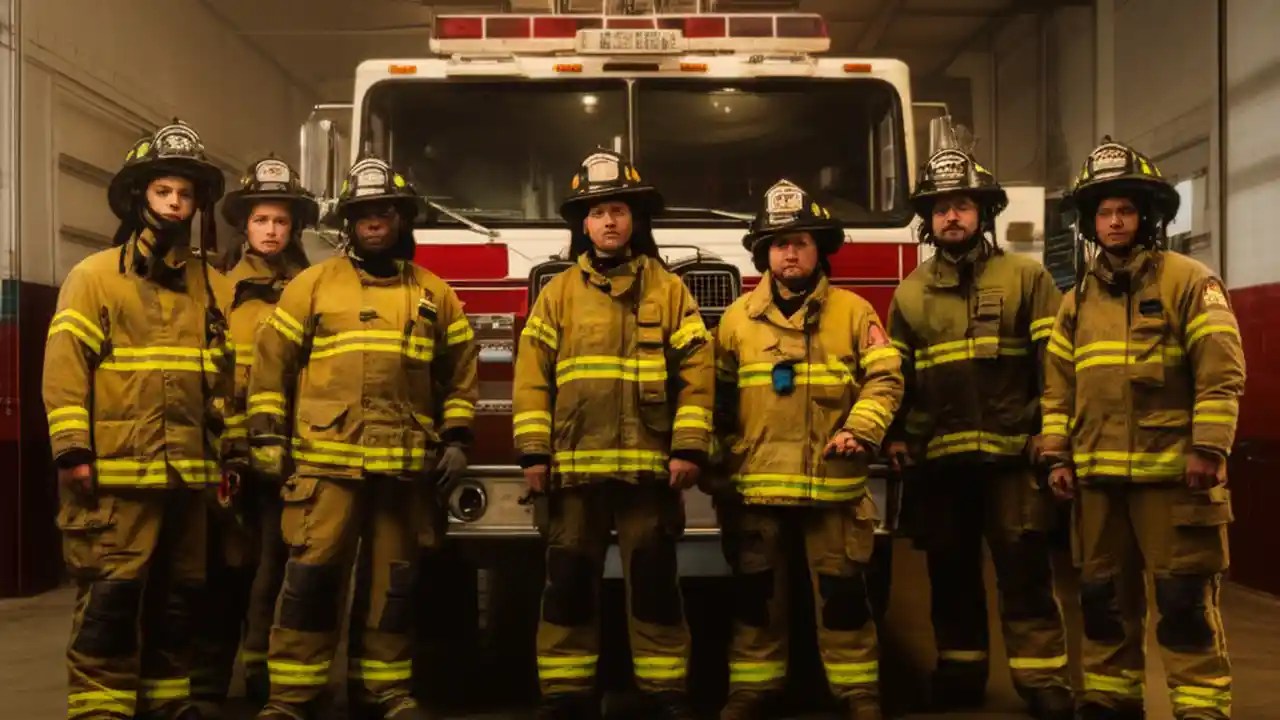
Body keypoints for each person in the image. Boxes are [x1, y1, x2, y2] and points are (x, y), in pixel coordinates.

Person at [248, 153, 478, 720]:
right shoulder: (310, 286)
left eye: (384, 211)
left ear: (401, 218)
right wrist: (267, 438)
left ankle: (385, 693)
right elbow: (270, 366)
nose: (374, 222)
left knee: (393, 589)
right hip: (325, 473)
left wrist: (456, 438)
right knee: (310, 580)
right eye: (363, 213)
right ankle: (293, 697)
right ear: (348, 223)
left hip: (403, 473)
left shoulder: (435, 295)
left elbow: (461, 370)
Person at [1042, 139, 1246, 720]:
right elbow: (1057, 386)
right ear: (1090, 223)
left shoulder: (1189, 281)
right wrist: (1057, 457)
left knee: (1183, 603)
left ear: (1147, 216)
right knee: (1103, 601)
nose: (1113, 222)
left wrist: (1208, 447)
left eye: (1125, 211)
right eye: (1104, 213)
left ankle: (1201, 707)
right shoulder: (1075, 299)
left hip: (1176, 483)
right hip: (1099, 484)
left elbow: (1221, 371)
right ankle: (1110, 699)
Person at [512, 149, 713, 719]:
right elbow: (532, 378)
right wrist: (533, 452)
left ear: (635, 220)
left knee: (653, 583)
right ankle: (566, 695)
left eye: (618, 210)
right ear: (583, 224)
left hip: (648, 470)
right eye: (596, 212)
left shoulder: (668, 291)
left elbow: (696, 372)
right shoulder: (557, 294)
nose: (608, 222)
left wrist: (689, 447)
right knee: (568, 583)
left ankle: (665, 692)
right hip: (572, 473)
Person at [43, 120, 233, 720]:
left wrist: (227, 451)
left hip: (186, 480)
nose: (175, 204)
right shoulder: (94, 277)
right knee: (111, 600)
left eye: (185, 194)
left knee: (181, 601)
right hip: (116, 479)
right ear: (138, 197)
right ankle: (101, 708)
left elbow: (225, 378)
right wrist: (73, 450)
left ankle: (166, 704)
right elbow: (66, 366)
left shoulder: (211, 283)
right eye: (163, 192)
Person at [885, 148, 1074, 718]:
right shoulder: (910, 292)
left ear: (983, 212)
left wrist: (1053, 436)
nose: (951, 218)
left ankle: (1043, 681)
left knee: (1025, 572)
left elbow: (1055, 364)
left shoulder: (1027, 277)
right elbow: (897, 377)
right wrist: (895, 434)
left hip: (1015, 459)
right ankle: (960, 673)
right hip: (941, 463)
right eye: (941, 208)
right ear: (929, 218)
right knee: (950, 574)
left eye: (962, 205)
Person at [712, 179, 903, 720]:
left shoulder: (855, 312)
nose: (788, 252)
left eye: (799, 242)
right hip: (757, 489)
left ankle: (859, 695)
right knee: (755, 600)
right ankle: (751, 691)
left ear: (820, 249)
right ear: (763, 254)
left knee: (844, 600)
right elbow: (717, 400)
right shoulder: (735, 320)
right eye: (777, 243)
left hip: (834, 489)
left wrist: (861, 431)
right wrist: (719, 461)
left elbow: (886, 380)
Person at [190, 155, 318, 712]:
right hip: (225, 459)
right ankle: (206, 683)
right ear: (244, 225)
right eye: (262, 220)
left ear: (294, 229)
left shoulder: (313, 290)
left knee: (276, 572)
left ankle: (265, 681)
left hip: (288, 459)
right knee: (219, 574)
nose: (271, 231)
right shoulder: (215, 288)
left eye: (281, 222)